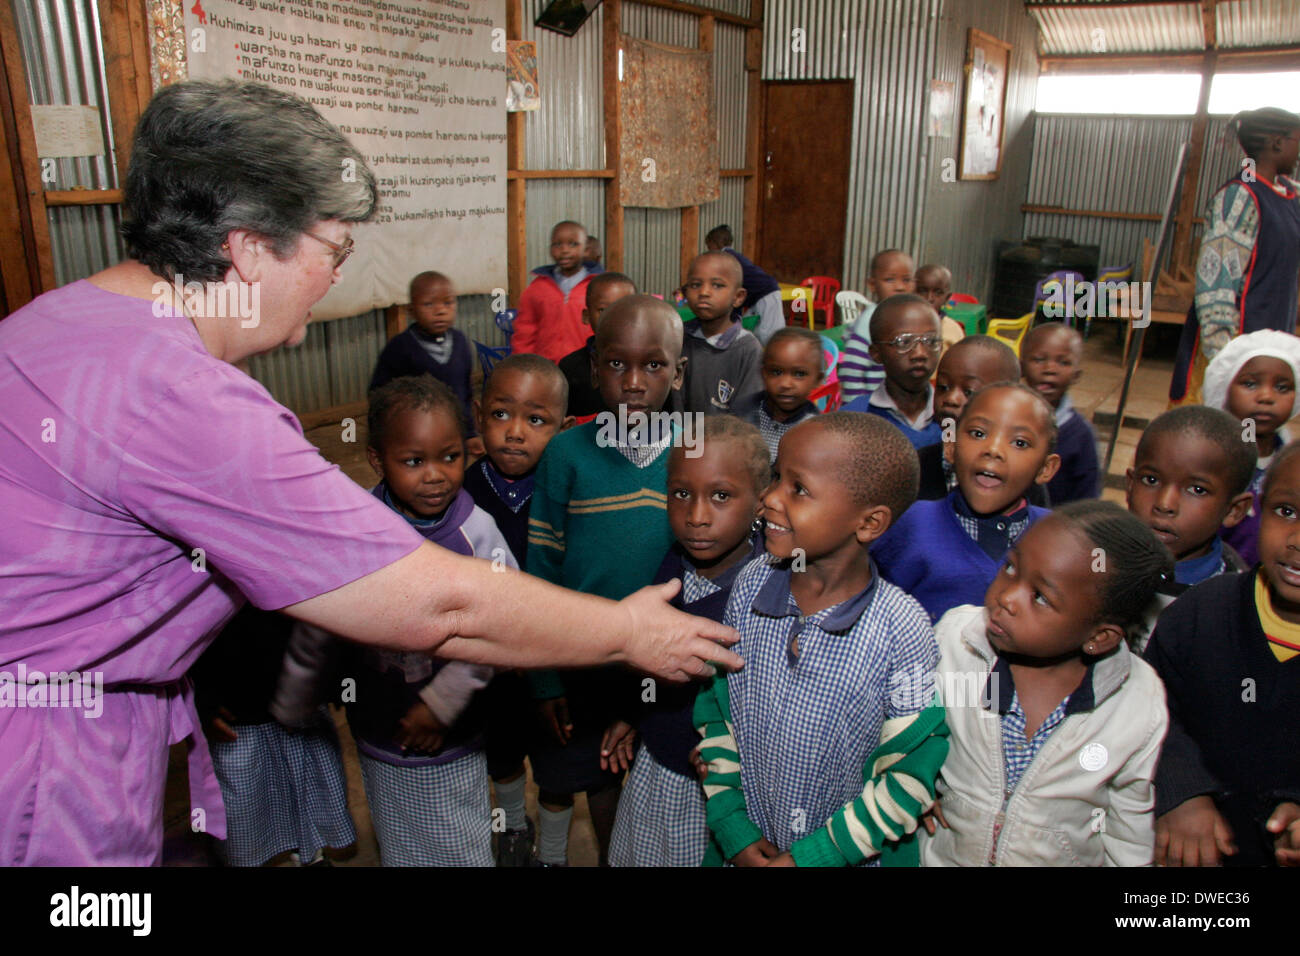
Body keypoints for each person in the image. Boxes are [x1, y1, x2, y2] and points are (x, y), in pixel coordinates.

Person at [0, 80, 740, 866]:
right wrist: (629, 630)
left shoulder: (55, 319)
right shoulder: (184, 400)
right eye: (335, 252)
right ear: (250, 247)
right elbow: (438, 603)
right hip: (45, 772)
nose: (334, 282)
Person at [694, 413, 948, 866]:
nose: (769, 498)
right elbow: (718, 712)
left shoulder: (902, 628)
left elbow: (909, 772)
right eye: (775, 478)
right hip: (746, 846)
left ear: (869, 523)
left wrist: (812, 857)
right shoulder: (753, 584)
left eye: (798, 489)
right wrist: (733, 829)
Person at [525, 295, 688, 866]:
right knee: (591, 774)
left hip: (670, 661)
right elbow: (541, 568)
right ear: (594, 368)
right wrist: (545, 681)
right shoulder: (566, 453)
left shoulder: (694, 453)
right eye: (617, 364)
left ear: (679, 370)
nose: (634, 382)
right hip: (583, 657)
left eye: (655, 365)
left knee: (660, 778)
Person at [921, 502, 1172, 866]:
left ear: (1100, 637)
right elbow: (906, 720)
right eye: (1010, 567)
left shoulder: (1137, 702)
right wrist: (910, 778)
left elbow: (1128, 826)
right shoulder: (957, 644)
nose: (1006, 597)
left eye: (1039, 597)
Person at [340, 376, 516, 866]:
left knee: (459, 843)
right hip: (376, 724)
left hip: (450, 735)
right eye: (414, 461)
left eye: (451, 456)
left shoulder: (477, 533)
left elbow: (504, 627)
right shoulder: (359, 525)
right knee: (399, 842)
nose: (436, 475)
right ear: (378, 459)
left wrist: (443, 704)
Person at [608, 417, 768, 867]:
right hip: (659, 764)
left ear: (760, 502)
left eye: (721, 496)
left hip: (719, 790)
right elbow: (648, 657)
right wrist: (632, 713)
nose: (696, 516)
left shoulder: (764, 598)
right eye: (681, 494)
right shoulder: (675, 563)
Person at [1146, 443, 1300, 867]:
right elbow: (1149, 710)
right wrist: (1181, 792)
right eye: (1287, 512)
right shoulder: (1201, 611)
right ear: (1261, 510)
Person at [463, 354, 574, 865]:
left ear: (564, 427)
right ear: (478, 414)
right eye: (500, 415)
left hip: (558, 656)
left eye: (535, 420)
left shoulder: (573, 490)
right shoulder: (460, 489)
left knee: (558, 765)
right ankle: (510, 828)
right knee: (501, 751)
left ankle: (552, 852)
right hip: (490, 657)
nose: (514, 433)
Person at [873, 383, 1060, 623]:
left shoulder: (1057, 536)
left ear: (1046, 468)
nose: (993, 449)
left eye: (1020, 443)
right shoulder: (910, 524)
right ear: (950, 447)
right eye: (978, 434)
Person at [193, 605, 355, 867]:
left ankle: (311, 854)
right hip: (235, 708)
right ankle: (243, 859)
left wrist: (335, 681)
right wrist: (201, 701)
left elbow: (327, 616)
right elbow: (188, 630)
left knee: (308, 787)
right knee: (243, 806)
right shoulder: (198, 571)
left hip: (300, 695)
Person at [1171, 107, 1300, 405]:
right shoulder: (1239, 199)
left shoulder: (1289, 195)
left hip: (1272, 343)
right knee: (1229, 433)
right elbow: (1216, 286)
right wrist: (1228, 362)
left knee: (1257, 432)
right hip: (1240, 351)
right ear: (1276, 144)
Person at [1203, 329, 1300, 567]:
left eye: (1282, 387)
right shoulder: (1209, 459)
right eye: (1250, 384)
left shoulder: (1289, 463)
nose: (1266, 397)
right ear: (1224, 388)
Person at [368, 271, 482, 457]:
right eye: (428, 304)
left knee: (454, 477)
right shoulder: (400, 347)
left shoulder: (460, 342)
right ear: (411, 311)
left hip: (454, 437)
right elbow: (378, 394)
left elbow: (465, 392)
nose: (440, 311)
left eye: (448, 302)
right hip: (416, 438)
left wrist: (470, 434)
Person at [915, 336, 1030, 501]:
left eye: (969, 391)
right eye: (943, 387)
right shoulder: (918, 466)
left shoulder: (1021, 474)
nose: (951, 399)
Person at [841, 294, 944, 449]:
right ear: (876, 353)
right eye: (903, 342)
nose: (920, 353)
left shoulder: (949, 417)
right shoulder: (854, 419)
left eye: (931, 341)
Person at [1020, 322, 1099, 504]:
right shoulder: (1004, 419)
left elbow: (1086, 500)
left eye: (1063, 362)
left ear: (1076, 375)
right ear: (1021, 366)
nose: (1050, 369)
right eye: (1039, 360)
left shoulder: (1081, 436)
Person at [678, 251, 763, 416]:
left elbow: (748, 416)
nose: (704, 292)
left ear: (738, 297)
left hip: (723, 439)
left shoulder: (748, 350)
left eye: (717, 285)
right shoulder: (677, 337)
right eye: (695, 285)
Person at [512, 220, 604, 362]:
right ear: (550, 248)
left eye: (573, 244)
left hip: (586, 369)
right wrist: (524, 364)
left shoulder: (599, 286)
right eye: (557, 244)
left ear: (585, 249)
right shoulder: (537, 288)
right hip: (547, 370)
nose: (565, 250)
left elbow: (608, 330)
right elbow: (524, 332)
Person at [733, 327, 825, 462]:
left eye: (799, 374)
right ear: (764, 373)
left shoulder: (816, 430)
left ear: (817, 380)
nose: (786, 384)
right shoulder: (742, 412)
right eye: (776, 372)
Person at [837, 248, 916, 402]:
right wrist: (856, 411)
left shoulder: (906, 318)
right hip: (870, 411)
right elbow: (852, 371)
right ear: (872, 285)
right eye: (890, 280)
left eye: (906, 280)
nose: (900, 287)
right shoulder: (869, 322)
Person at [556, 272, 637, 420]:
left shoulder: (649, 364)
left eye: (623, 309)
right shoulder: (570, 366)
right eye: (603, 310)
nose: (614, 318)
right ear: (586, 316)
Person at [705, 224, 784, 344]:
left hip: (766, 294)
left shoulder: (725, 259)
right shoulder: (733, 256)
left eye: (708, 246)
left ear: (714, 244)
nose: (708, 250)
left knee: (769, 334)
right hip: (760, 295)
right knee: (752, 330)